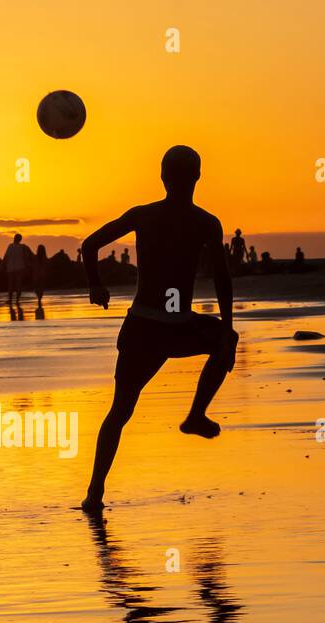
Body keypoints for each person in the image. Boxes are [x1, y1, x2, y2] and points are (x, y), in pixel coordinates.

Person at [78, 145, 238, 514]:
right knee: (225, 339)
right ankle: (196, 415)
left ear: (162, 177)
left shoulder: (145, 215)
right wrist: (226, 330)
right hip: (172, 326)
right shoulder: (206, 223)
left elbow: (89, 246)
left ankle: (94, 494)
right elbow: (222, 280)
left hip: (144, 327)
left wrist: (95, 286)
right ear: (197, 176)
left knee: (120, 411)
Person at [3, 233, 28, 308]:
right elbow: (25, 257)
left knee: (11, 285)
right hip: (19, 268)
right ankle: (16, 300)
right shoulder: (22, 247)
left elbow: (6, 256)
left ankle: (11, 300)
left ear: (15, 238)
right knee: (18, 285)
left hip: (11, 268)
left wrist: (2, 264)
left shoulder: (11, 246)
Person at [33, 244, 48, 311]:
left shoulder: (35, 257)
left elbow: (33, 266)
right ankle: (39, 298)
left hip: (37, 274)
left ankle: (39, 298)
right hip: (42, 274)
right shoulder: (44, 258)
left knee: (37, 287)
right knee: (41, 287)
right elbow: (46, 266)